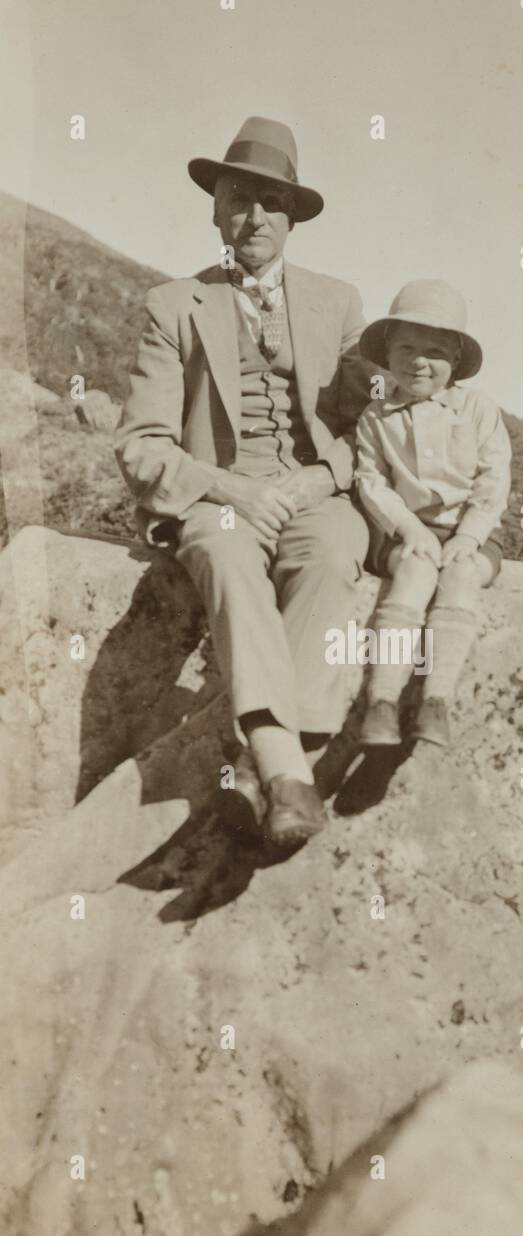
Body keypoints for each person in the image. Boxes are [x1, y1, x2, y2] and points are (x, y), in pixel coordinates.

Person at [116, 117, 372, 847]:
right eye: (238, 198)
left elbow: (369, 429)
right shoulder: (173, 306)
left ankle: (254, 764)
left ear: (293, 218)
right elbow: (140, 446)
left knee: (329, 558)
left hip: (314, 492)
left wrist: (322, 478)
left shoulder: (340, 303)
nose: (254, 217)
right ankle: (285, 769)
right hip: (220, 493)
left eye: (271, 202)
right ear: (215, 209)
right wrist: (234, 493)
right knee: (227, 554)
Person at [355, 280, 512, 748]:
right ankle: (382, 700)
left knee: (461, 577)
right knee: (414, 573)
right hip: (405, 531)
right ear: (387, 351)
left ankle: (436, 700)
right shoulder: (376, 417)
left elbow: (493, 478)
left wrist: (469, 536)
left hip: (469, 531)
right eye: (405, 347)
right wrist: (405, 527)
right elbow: (372, 482)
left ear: (457, 359)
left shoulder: (479, 411)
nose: (418, 361)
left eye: (435, 351)